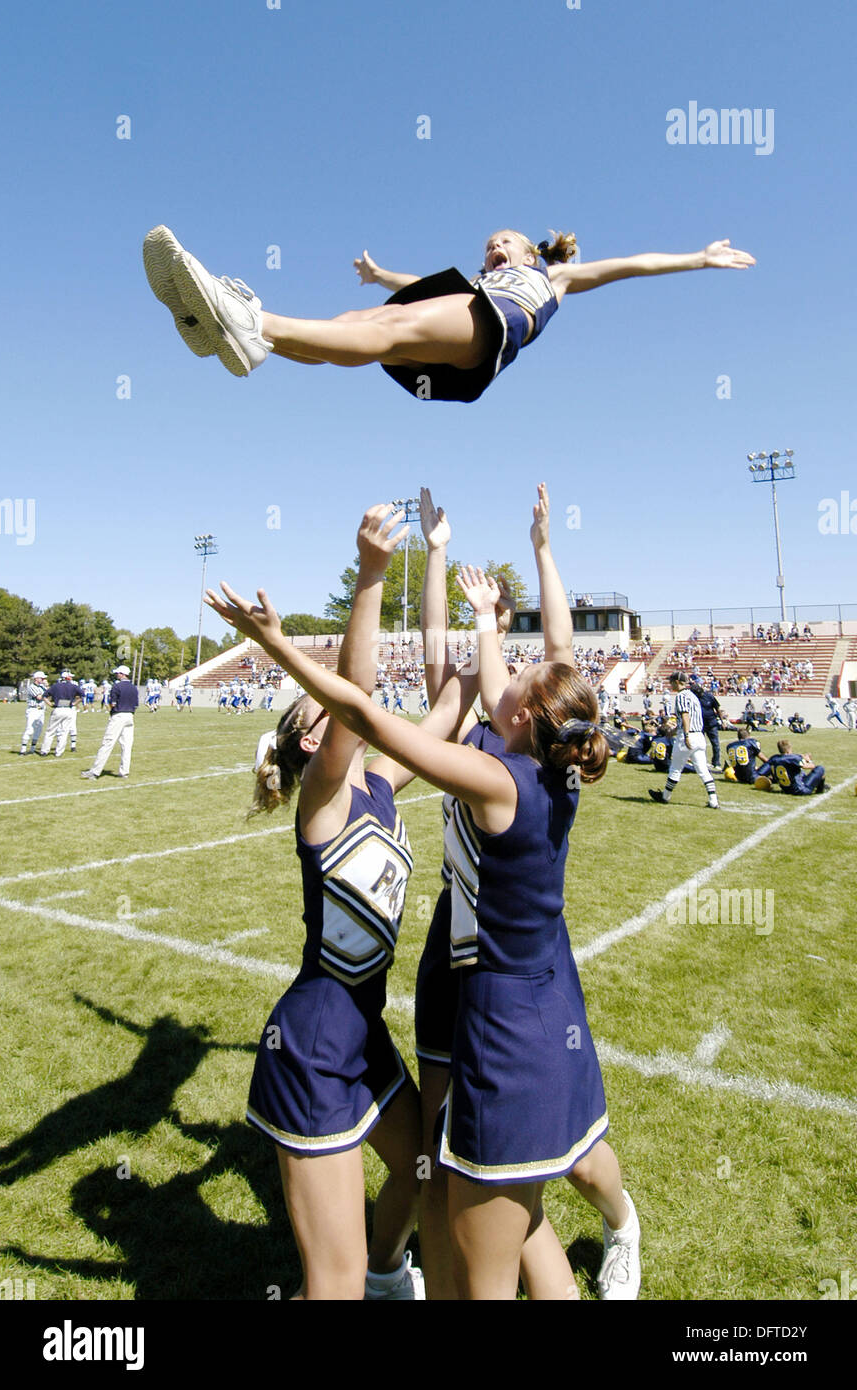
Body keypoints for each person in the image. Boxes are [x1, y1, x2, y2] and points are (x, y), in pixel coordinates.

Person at [205, 507, 636, 1301]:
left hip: (400, 1029)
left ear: (524, 723)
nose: (503, 687)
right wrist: (455, 588)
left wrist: (462, 608)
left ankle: (387, 1271)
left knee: (441, 1183)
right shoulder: (353, 791)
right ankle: (380, 1273)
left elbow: (411, 702)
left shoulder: (457, 775)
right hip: (330, 1037)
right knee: (414, 1219)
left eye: (516, 691)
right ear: (311, 744)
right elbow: (378, 702)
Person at [413, 485, 639, 1302]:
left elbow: (562, 657)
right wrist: (438, 554)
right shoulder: (486, 728)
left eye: (507, 632)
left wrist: (536, 559)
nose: (502, 651)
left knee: (562, 1151)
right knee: (457, 1148)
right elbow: (450, 661)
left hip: (520, 969)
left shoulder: (512, 759)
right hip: (461, 953)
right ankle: (450, 1258)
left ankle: (619, 1221)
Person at [236, 506, 427, 1301]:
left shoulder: (378, 788)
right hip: (312, 1045)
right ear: (313, 741)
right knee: (331, 1284)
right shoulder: (323, 797)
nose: (332, 704)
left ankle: (389, 1269)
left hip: (364, 1036)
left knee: (426, 1166)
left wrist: (439, 563)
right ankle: (363, 1278)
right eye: (318, 707)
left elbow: (446, 711)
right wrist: (372, 576)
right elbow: (354, 696)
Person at [143, 224, 755, 402]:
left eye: (504, 242)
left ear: (528, 250)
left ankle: (251, 319)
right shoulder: (477, 280)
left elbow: (629, 264)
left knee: (390, 326)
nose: (494, 248)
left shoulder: (553, 275)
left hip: (497, 328)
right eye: (488, 244)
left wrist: (698, 259)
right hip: (466, 344)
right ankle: (250, 341)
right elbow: (421, 293)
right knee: (363, 322)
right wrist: (384, 276)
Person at [649, 673, 719, 809]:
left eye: (671, 682)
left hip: (688, 736)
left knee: (675, 768)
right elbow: (688, 719)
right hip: (699, 735)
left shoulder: (681, 696)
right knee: (703, 770)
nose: (670, 685)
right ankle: (713, 800)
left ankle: (665, 796)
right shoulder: (693, 696)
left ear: (676, 681)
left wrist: (686, 735)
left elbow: (685, 716)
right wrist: (673, 731)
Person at [81, 666, 140, 779]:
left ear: (122, 674)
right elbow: (136, 705)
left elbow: (113, 704)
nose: (116, 675)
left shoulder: (117, 686)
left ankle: (95, 771)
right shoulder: (133, 687)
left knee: (107, 743)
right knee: (126, 745)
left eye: (118, 673)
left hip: (118, 715)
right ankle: (124, 772)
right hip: (130, 716)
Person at [756, 740, 827, 795]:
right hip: (800, 790)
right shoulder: (793, 758)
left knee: (797, 771)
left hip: (786, 789)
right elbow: (811, 766)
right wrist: (809, 760)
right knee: (820, 768)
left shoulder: (774, 758)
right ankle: (820, 789)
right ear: (788, 750)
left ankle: (820, 786)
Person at [38, 671, 83, 757]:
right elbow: (82, 696)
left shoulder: (55, 686)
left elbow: (44, 696)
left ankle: (44, 750)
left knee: (50, 731)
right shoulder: (73, 686)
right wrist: (74, 703)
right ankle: (59, 752)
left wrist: (50, 704)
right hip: (68, 709)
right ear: (68, 678)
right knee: (64, 731)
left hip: (58, 708)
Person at [20, 671, 48, 755]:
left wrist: (47, 688)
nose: (43, 679)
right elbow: (39, 697)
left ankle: (32, 748)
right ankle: (23, 749)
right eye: (42, 678)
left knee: (38, 730)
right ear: (37, 678)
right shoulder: (32, 687)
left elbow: (49, 694)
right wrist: (46, 694)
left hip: (41, 710)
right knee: (29, 729)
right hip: (33, 709)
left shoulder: (42, 687)